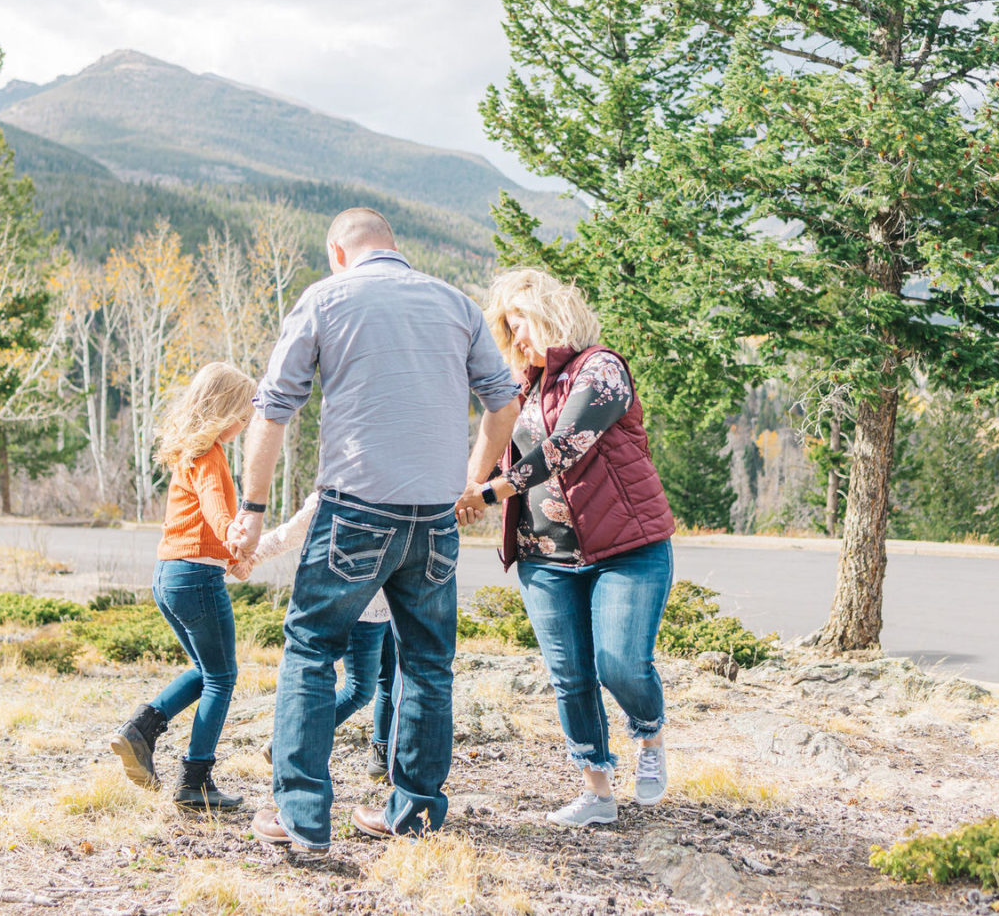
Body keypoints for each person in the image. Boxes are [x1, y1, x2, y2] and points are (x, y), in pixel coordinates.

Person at [227, 207, 520, 854]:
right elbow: (505, 403)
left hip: (355, 509)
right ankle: (413, 812)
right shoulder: (455, 304)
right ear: (395, 247)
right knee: (427, 664)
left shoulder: (327, 298)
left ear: (339, 251)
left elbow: (272, 411)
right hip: (435, 518)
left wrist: (252, 507)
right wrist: (472, 481)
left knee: (311, 648)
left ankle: (301, 813)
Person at [459, 268, 677, 828]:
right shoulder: (520, 384)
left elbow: (567, 445)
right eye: (507, 331)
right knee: (571, 676)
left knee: (620, 664)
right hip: (545, 558)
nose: (518, 340)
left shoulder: (601, 368)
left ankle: (649, 737)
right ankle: (597, 791)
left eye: (521, 325)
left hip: (625, 549)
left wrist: (492, 492)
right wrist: (466, 484)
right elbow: (493, 430)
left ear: (550, 313)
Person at [110, 362, 256, 810]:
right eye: (243, 414)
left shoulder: (189, 453)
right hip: (194, 578)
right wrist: (233, 532)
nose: (247, 422)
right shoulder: (210, 456)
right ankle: (195, 781)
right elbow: (213, 508)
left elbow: (195, 522)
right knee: (223, 677)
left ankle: (141, 729)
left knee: (204, 669)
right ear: (223, 410)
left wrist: (233, 555)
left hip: (170, 575)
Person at [252, 490, 397, 782]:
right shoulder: (331, 494)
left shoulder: (397, 485)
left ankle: (381, 754)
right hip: (360, 607)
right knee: (359, 689)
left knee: (391, 682)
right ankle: (288, 742)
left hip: (395, 604)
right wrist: (248, 555)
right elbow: (287, 536)